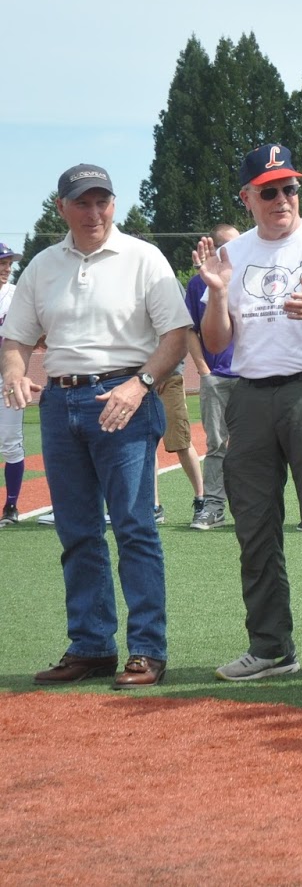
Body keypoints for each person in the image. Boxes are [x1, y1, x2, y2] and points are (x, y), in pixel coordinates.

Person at [1, 164, 189, 688]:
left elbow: (175, 333)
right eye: (82, 202)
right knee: (77, 531)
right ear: (61, 207)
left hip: (124, 398)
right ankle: (91, 646)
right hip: (60, 406)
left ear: (115, 204)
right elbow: (16, 338)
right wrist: (15, 374)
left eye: (102, 201)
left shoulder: (143, 257)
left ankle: (147, 648)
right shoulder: (42, 266)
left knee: (134, 527)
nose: (94, 212)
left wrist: (140, 384)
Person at [195, 144, 302, 685]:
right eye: (268, 190)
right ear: (247, 197)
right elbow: (216, 343)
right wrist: (217, 295)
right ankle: (271, 647)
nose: (281, 199)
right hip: (249, 394)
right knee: (255, 526)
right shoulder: (232, 255)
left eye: (289, 187)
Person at [184, 224, 238, 530]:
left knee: (255, 447)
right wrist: (204, 371)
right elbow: (190, 331)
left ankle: (251, 507)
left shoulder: (249, 279)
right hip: (216, 377)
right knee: (217, 445)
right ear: (217, 249)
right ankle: (214, 508)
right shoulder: (197, 284)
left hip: (251, 377)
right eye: (232, 244)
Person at [153, 362, 202, 523]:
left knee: (181, 441)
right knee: (145, 445)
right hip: (137, 380)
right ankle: (153, 506)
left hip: (168, 378)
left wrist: (161, 372)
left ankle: (202, 499)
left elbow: (176, 340)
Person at [0, 243, 24, 525]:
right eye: (3, 263)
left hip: (7, 381)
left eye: (9, 263)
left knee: (11, 443)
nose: (7, 268)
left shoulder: (16, 295)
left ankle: (11, 506)